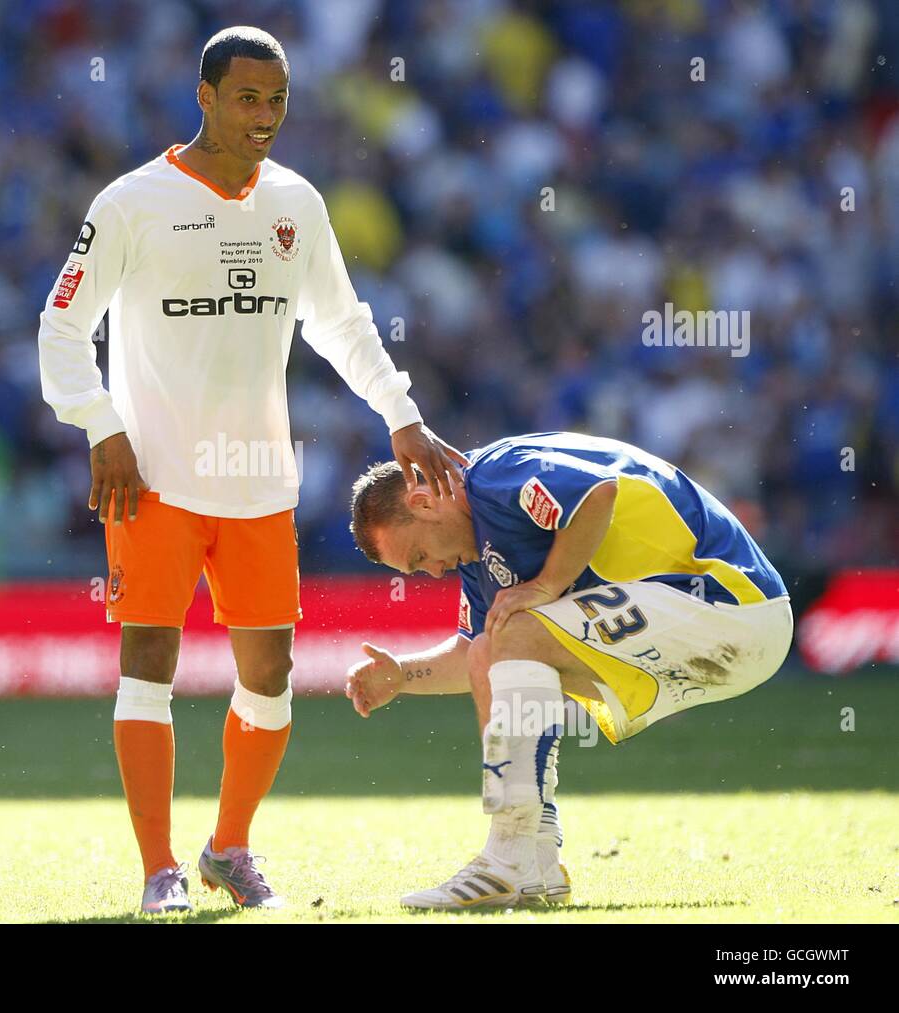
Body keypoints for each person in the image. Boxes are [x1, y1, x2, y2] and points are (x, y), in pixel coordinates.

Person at [38, 26, 465, 913]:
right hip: (151, 478)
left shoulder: (297, 205)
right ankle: (159, 869)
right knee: (146, 664)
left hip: (259, 481)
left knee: (269, 678)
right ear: (204, 95)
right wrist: (100, 425)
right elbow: (61, 328)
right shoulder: (132, 201)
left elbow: (342, 323)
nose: (264, 116)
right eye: (246, 97)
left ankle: (227, 848)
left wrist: (401, 412)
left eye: (276, 99)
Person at [345, 431, 793, 909]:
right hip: (703, 633)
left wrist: (546, 586)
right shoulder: (477, 554)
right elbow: (481, 656)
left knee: (511, 633)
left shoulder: (494, 475)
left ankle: (508, 857)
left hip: (733, 604)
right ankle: (536, 864)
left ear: (424, 501)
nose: (433, 572)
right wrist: (403, 674)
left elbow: (595, 493)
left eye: (418, 556)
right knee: (494, 648)